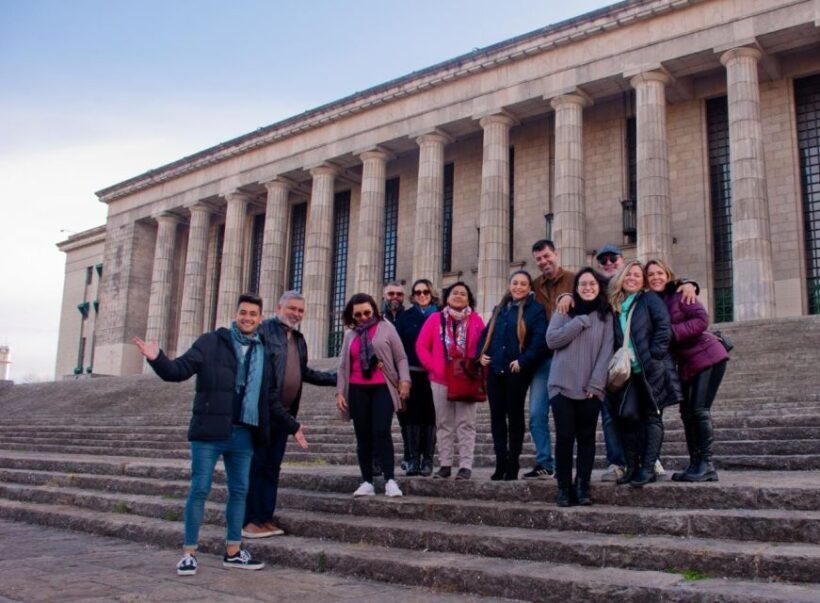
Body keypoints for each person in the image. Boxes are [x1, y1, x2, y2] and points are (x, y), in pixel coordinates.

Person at [133, 293, 308, 576]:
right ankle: (189, 553)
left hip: (243, 434)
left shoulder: (263, 350)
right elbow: (179, 371)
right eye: (243, 313)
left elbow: (270, 399)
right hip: (209, 432)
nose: (248, 318)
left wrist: (293, 425)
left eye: (253, 314)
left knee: (239, 492)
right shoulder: (211, 342)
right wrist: (158, 359)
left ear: (260, 319)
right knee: (200, 489)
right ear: (236, 314)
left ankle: (233, 551)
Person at [243, 291, 336, 538]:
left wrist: (338, 379)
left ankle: (264, 518)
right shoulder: (264, 331)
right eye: (291, 308)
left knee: (272, 467)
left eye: (300, 310)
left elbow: (303, 372)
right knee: (257, 465)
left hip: (283, 414)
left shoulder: (298, 338)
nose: (296, 314)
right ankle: (250, 520)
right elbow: (263, 381)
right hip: (262, 413)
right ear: (279, 307)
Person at [646, 259, 729, 482]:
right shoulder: (654, 302)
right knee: (686, 413)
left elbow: (702, 320)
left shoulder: (682, 293)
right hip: (685, 364)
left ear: (668, 274)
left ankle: (707, 464)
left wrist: (671, 332)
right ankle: (695, 463)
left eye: (659, 273)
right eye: (651, 274)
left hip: (707, 356)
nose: (656, 277)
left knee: (699, 410)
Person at [607, 261, 682, 488]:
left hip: (651, 369)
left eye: (637, 275)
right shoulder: (617, 304)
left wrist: (654, 354)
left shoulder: (649, 299)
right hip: (627, 373)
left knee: (652, 416)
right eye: (628, 274)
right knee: (627, 416)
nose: (632, 278)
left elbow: (663, 327)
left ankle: (648, 468)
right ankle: (632, 466)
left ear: (643, 280)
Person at [546, 268, 613, 506]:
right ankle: (564, 488)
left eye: (592, 284)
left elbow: (606, 352)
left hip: (590, 388)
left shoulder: (606, 316)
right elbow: (552, 340)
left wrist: (596, 383)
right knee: (564, 438)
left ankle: (582, 486)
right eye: (583, 284)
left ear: (598, 287)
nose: (587, 288)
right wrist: (578, 323)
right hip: (561, 385)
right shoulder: (565, 310)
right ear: (576, 288)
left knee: (586, 439)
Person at [335, 293, 410, 497]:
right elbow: (343, 366)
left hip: (382, 387)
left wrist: (405, 381)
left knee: (381, 432)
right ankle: (367, 480)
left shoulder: (386, 327)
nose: (363, 318)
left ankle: (390, 480)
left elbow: (401, 357)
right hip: (357, 388)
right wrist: (340, 392)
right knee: (362, 435)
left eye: (367, 313)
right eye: (358, 315)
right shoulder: (350, 334)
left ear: (374, 310)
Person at [479, 271, 548, 481]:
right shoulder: (499, 309)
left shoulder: (535, 310)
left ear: (529, 288)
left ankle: (513, 464)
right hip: (495, 370)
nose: (518, 287)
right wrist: (480, 354)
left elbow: (539, 340)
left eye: (523, 284)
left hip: (515, 372)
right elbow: (485, 335)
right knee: (497, 420)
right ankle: (500, 463)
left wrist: (523, 360)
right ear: (510, 286)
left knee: (515, 418)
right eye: (515, 283)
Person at [416, 282, 486, 480]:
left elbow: (483, 346)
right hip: (441, 379)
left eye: (463, 294)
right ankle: (445, 464)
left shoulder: (476, 320)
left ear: (469, 299)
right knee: (443, 423)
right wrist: (435, 368)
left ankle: (465, 465)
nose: (458, 296)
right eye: (454, 293)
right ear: (447, 297)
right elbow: (421, 346)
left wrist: (477, 370)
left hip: (466, 378)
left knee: (466, 424)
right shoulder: (434, 319)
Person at [525, 239, 574, 479]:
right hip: (543, 358)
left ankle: (568, 464)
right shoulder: (533, 286)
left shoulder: (575, 280)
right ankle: (544, 462)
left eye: (547, 256)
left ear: (557, 253)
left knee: (568, 413)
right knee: (536, 413)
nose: (544, 261)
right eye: (539, 259)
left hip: (570, 357)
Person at [395, 279, 439, 476]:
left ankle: (428, 460)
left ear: (431, 294)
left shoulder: (440, 315)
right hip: (410, 373)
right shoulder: (405, 317)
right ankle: (413, 459)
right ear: (412, 296)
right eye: (418, 292)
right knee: (412, 417)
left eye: (425, 292)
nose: (422, 295)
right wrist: (400, 376)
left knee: (429, 416)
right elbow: (398, 347)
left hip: (434, 374)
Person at [381, 281, 407, 473]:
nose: (395, 298)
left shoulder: (410, 317)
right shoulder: (377, 319)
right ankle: (377, 461)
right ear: (384, 296)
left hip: (406, 376)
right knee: (381, 422)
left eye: (399, 294)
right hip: (383, 377)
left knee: (408, 420)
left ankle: (409, 457)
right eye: (391, 294)